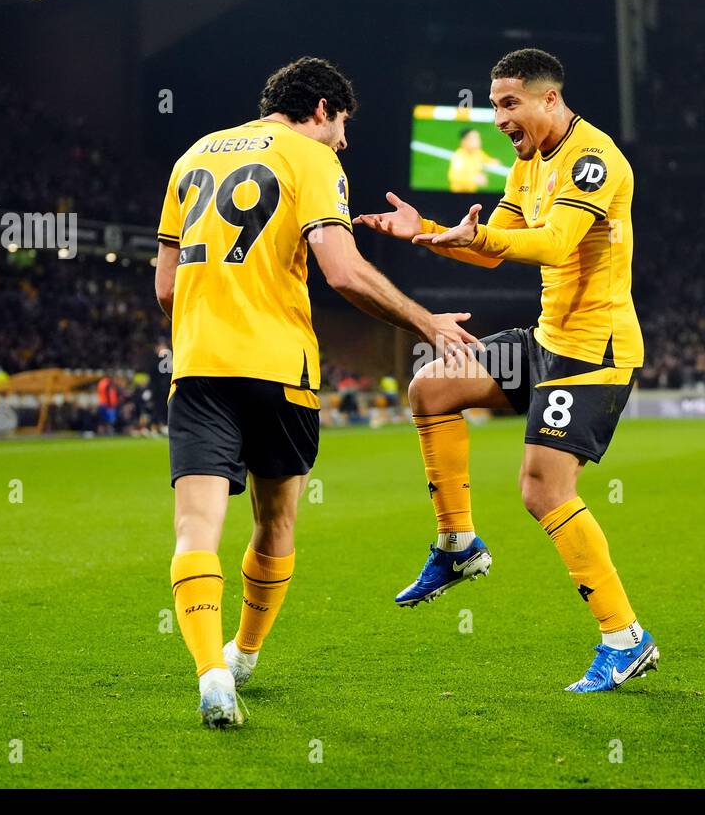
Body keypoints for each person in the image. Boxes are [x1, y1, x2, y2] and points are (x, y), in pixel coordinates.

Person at [154, 56, 476, 727]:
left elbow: (164, 288)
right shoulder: (310, 159)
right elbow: (344, 271)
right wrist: (425, 321)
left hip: (200, 367)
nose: (345, 143)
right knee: (275, 524)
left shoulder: (192, 157)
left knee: (195, 529)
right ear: (323, 109)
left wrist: (212, 315)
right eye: (344, 127)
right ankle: (244, 653)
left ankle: (211, 671)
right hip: (280, 370)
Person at [357, 48, 657, 693]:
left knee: (543, 490)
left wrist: (477, 238)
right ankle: (458, 545)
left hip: (592, 351)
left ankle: (625, 637)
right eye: (494, 105)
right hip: (545, 338)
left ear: (550, 99)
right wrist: (426, 232)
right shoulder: (527, 166)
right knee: (431, 387)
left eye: (509, 103)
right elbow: (490, 250)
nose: (498, 119)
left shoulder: (592, 159)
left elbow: (550, 245)